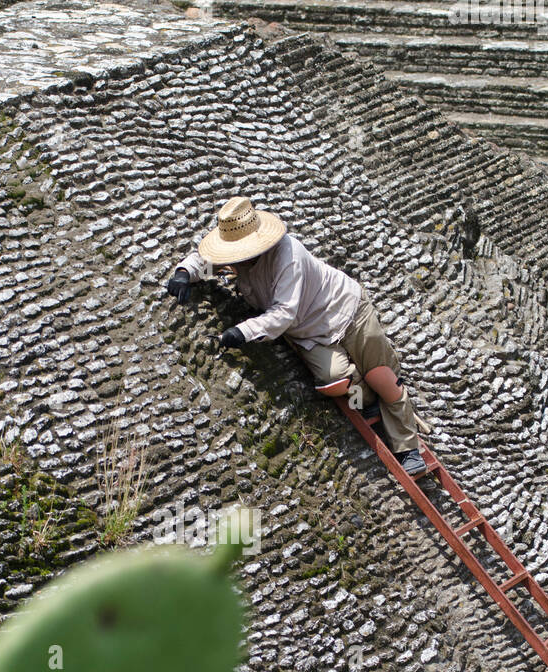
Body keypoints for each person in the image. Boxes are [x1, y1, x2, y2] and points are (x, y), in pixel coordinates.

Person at [167, 196, 425, 476]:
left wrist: (244, 331)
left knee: (381, 375)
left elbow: (283, 313)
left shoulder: (288, 256)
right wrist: (185, 273)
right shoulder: (237, 260)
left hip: (347, 311)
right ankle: (367, 393)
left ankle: (407, 447)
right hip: (311, 333)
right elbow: (209, 264)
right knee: (335, 381)